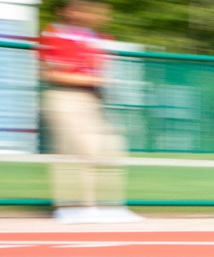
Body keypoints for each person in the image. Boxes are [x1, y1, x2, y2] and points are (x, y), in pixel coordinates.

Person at [38, 0, 142, 224]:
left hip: (91, 99)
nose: (88, 13)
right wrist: (95, 79)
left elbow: (101, 69)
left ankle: (109, 206)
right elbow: (53, 74)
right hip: (65, 96)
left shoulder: (99, 39)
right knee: (81, 151)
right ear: (64, 11)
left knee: (110, 147)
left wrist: (99, 81)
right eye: (77, 8)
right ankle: (74, 207)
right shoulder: (55, 34)